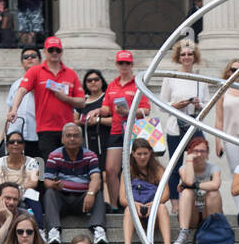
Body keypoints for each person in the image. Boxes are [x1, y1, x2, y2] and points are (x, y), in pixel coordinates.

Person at [7, 37, 86, 163]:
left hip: (67, 129)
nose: (54, 53)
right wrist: (14, 109)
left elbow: (82, 101)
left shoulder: (71, 73)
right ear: (45, 52)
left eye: (57, 50)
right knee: (48, 165)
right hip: (45, 129)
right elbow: (21, 90)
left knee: (68, 165)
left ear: (61, 52)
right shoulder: (35, 71)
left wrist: (66, 98)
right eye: (51, 50)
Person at [90, 50, 151, 209]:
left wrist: (128, 112)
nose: (124, 66)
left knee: (136, 169)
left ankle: (137, 202)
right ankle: (115, 204)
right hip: (116, 130)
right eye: (121, 63)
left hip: (134, 132)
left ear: (132, 65)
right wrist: (97, 111)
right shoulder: (112, 85)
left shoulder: (139, 83)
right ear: (117, 65)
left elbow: (146, 110)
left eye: (127, 63)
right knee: (111, 169)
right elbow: (106, 108)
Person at [159, 39, 208, 205]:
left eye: (190, 54)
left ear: (195, 57)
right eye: (183, 54)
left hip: (195, 125)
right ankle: (175, 202)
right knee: (175, 164)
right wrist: (176, 105)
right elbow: (162, 105)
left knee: (199, 162)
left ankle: (197, 199)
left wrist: (198, 104)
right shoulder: (170, 78)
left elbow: (207, 105)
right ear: (178, 57)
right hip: (175, 127)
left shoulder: (201, 79)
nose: (186, 57)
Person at [43, 122, 108, 244]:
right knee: (50, 193)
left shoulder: (90, 155)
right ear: (62, 139)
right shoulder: (54, 156)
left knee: (97, 192)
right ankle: (54, 230)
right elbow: (47, 181)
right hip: (62, 199)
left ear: (81, 139)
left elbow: (96, 178)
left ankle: (98, 229)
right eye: (68, 136)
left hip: (83, 201)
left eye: (75, 136)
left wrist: (90, 193)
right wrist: (53, 185)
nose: (72, 139)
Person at [119, 138, 173, 244]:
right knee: (128, 209)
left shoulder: (159, 170)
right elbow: (122, 198)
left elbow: (166, 194)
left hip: (154, 211)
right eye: (139, 154)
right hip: (136, 211)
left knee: (162, 207)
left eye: (145, 153)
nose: (142, 157)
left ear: (150, 153)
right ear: (133, 154)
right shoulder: (127, 172)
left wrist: (153, 205)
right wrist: (135, 205)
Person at [173, 134, 223, 244]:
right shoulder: (183, 168)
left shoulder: (213, 168)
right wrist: (189, 160)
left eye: (203, 151)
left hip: (208, 211)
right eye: (195, 151)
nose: (199, 154)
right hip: (192, 214)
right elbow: (189, 181)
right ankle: (184, 233)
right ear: (189, 152)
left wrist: (195, 185)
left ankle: (214, 231)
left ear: (207, 153)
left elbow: (215, 184)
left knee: (213, 193)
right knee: (186, 193)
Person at [0, 129, 42, 224]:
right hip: (3, 193)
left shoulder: (32, 162)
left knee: (32, 193)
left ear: (24, 145)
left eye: (19, 142)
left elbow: (33, 183)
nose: (16, 144)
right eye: (12, 142)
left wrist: (15, 189)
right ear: (7, 146)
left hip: (23, 191)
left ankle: (40, 228)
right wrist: (7, 190)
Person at [4, 46, 40, 156]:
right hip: (16, 136)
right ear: (22, 62)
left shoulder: (45, 82)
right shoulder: (16, 84)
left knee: (38, 168)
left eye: (33, 56)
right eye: (26, 57)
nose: (29, 58)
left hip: (37, 134)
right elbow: (10, 110)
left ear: (40, 60)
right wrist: (4, 135)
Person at [79, 68, 109, 175]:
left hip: (106, 142)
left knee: (106, 174)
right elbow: (73, 119)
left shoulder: (107, 98)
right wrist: (83, 121)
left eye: (96, 79)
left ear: (102, 81)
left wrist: (97, 120)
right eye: (89, 80)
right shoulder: (82, 100)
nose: (93, 82)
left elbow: (116, 120)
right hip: (86, 144)